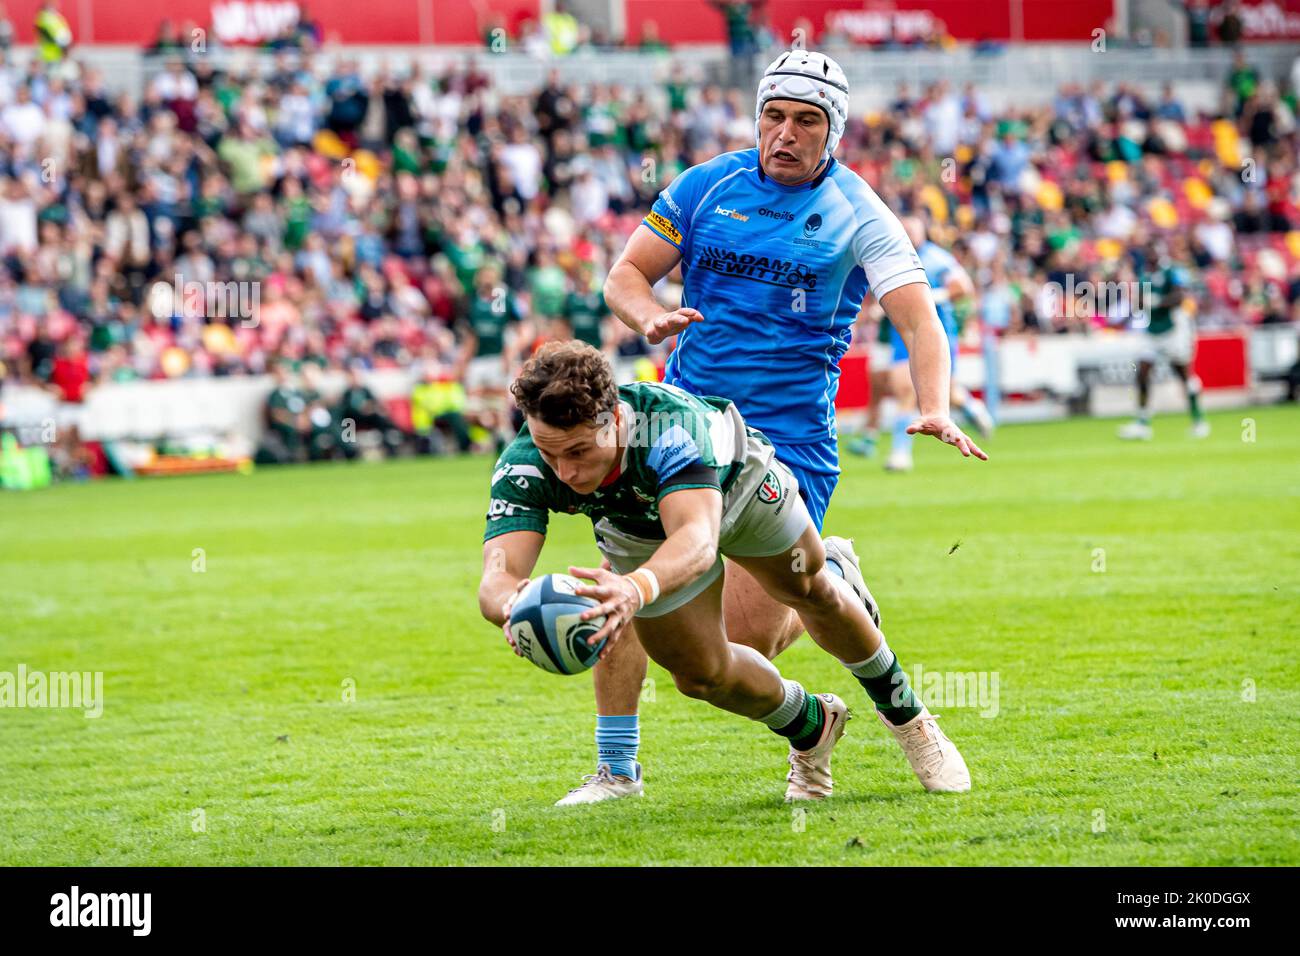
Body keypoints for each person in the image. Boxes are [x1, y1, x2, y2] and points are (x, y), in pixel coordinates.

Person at [550, 50, 987, 805]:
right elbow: (624, 274)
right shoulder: (705, 184)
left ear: (835, 132)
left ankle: (851, 618)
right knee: (628, 596)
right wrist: (647, 314)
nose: (784, 134)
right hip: (678, 429)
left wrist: (936, 403)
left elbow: (920, 322)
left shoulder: (859, 211)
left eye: (805, 121)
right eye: (773, 116)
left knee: (743, 641)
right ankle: (617, 770)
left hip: (787, 445)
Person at [479, 342, 970, 802]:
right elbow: (497, 576)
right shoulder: (525, 464)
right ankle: (811, 724)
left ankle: (909, 718)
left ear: (615, 420)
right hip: (636, 526)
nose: (564, 472)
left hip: (739, 488)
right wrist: (514, 607)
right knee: (699, 675)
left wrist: (633, 588)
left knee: (809, 587)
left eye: (579, 451)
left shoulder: (669, 426)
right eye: (549, 452)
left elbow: (696, 541)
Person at [879, 216, 994, 472]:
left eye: (913, 229)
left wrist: (930, 297)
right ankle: (900, 452)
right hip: (901, 331)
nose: (909, 233)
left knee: (948, 394)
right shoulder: (888, 256)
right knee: (905, 390)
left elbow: (963, 287)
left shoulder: (937, 257)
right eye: (905, 229)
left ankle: (971, 406)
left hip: (936, 331)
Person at [1118, 248, 1210, 440]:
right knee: (1142, 373)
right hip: (1152, 330)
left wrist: (1158, 302)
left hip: (1173, 330)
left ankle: (1198, 420)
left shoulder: (1171, 272)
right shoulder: (1144, 277)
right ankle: (1142, 423)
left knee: (1183, 374)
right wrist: (1140, 303)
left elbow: (1179, 297)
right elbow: (1139, 304)